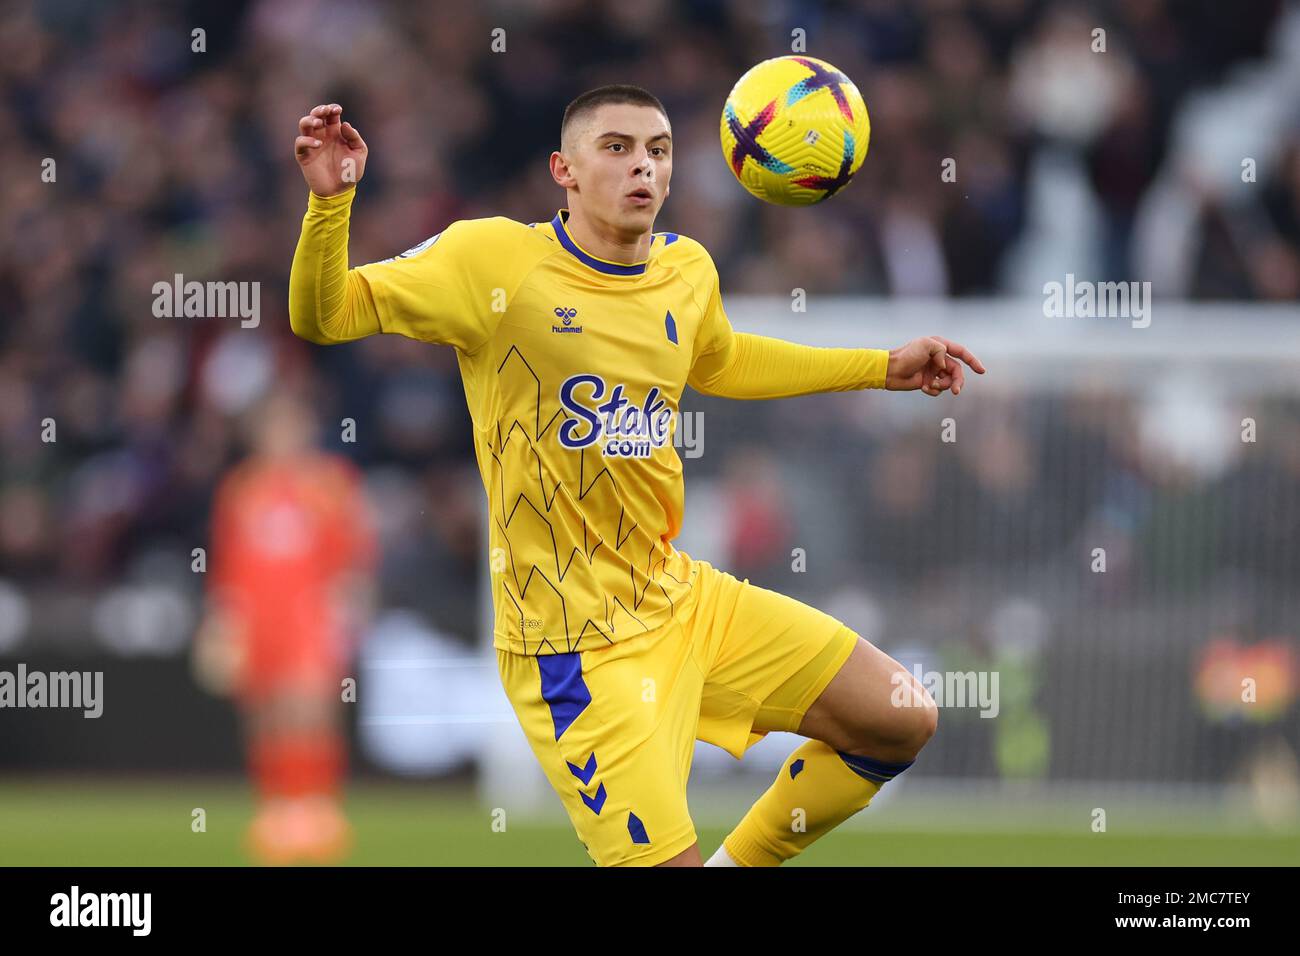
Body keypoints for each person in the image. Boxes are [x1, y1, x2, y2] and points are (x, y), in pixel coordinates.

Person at [287, 85, 984, 867]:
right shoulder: (491, 261)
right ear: (565, 170)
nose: (642, 166)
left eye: (657, 150)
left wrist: (878, 367)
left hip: (679, 597)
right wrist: (329, 209)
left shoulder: (687, 270)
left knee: (900, 716)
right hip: (573, 647)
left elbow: (723, 359)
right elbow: (328, 315)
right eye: (616, 148)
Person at [194, 387, 376, 864]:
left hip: (309, 616)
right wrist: (222, 621)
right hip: (258, 617)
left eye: (290, 427)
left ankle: (316, 807)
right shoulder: (241, 488)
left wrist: (348, 615)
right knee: (265, 713)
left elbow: (351, 557)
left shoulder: (330, 483)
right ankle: (276, 809)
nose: (282, 438)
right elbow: (227, 564)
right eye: (273, 429)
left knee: (310, 708)